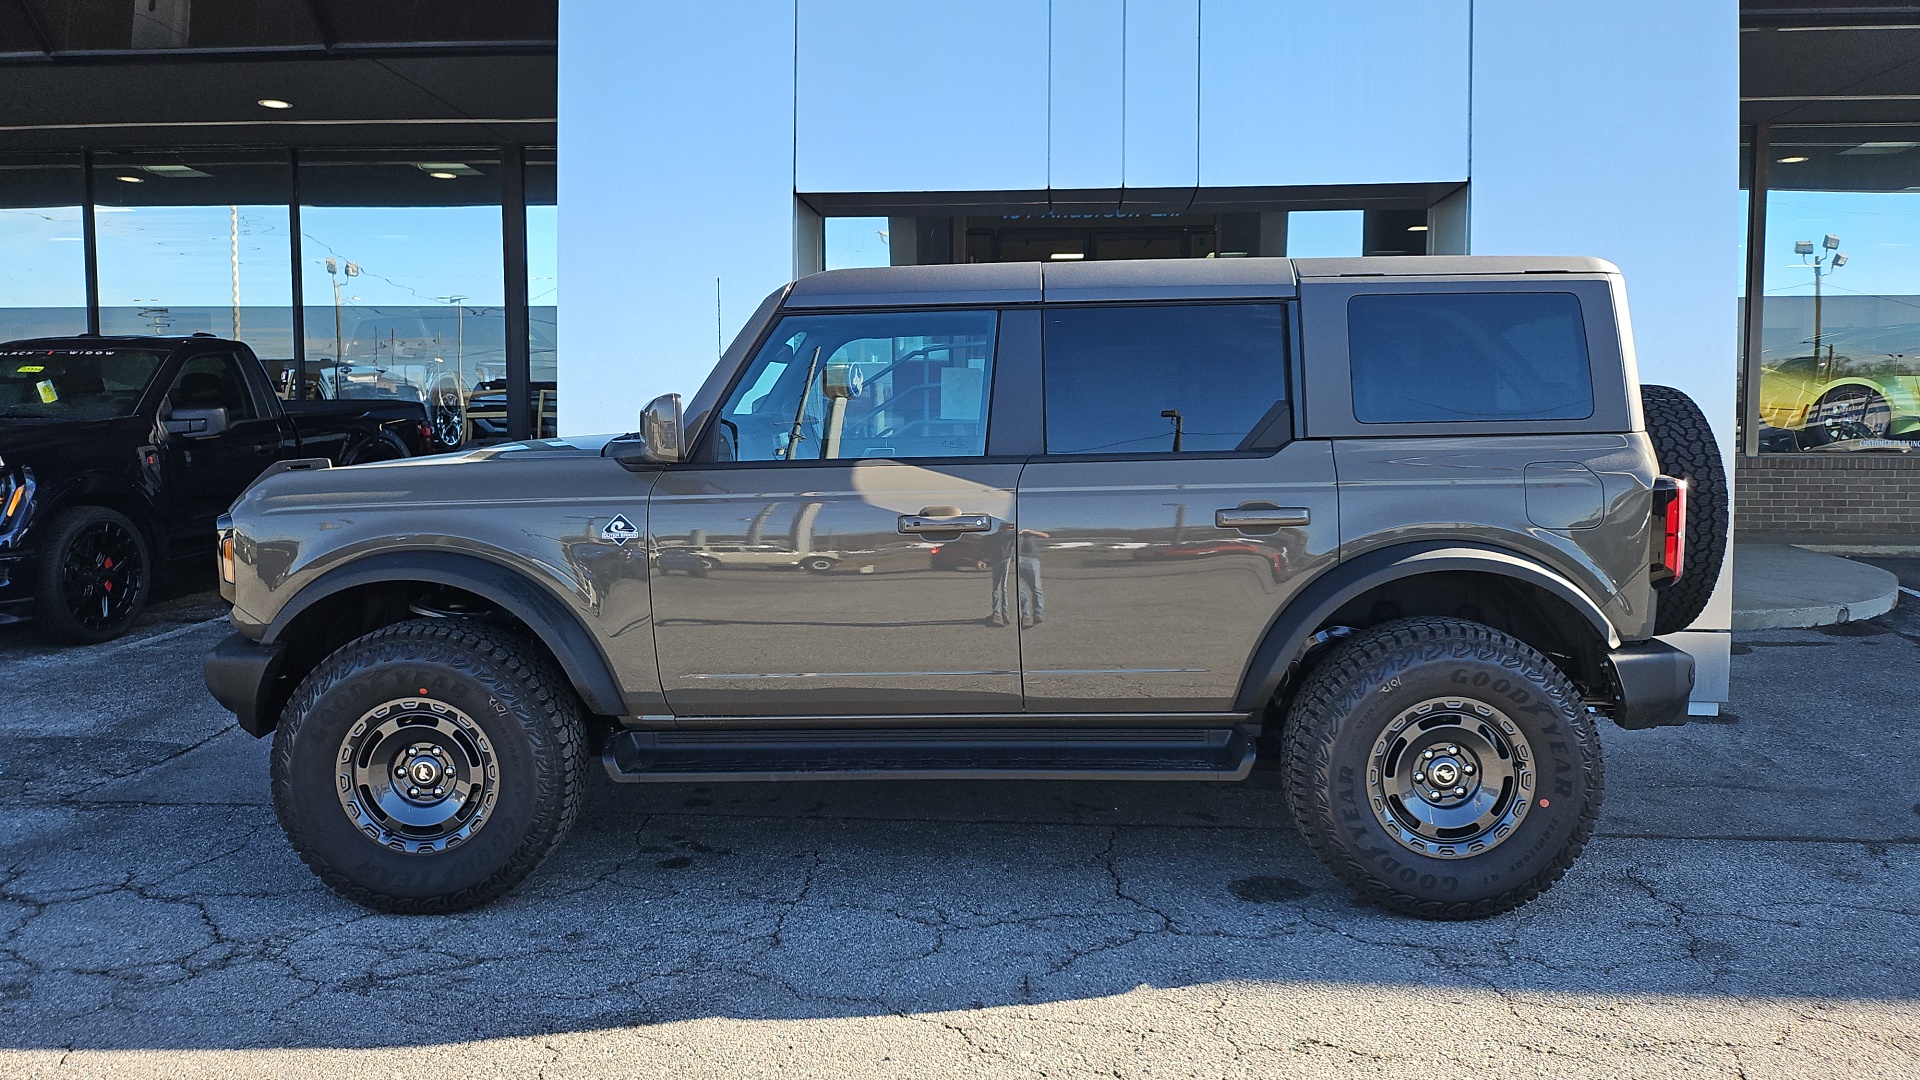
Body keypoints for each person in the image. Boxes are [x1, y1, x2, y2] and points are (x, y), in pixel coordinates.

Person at [988, 521, 1049, 627]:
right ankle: (1026, 615)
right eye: (1008, 525)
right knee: (1021, 590)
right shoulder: (1005, 535)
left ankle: (1036, 614)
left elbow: (1045, 536)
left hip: (1029, 560)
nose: (1011, 527)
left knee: (1034, 588)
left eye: (1012, 525)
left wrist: (1028, 531)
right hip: (1015, 561)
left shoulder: (1025, 534)